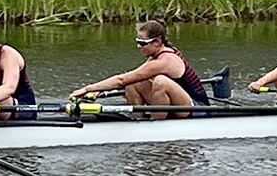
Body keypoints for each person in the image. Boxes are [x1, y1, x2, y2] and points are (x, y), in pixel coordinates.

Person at [68, 20, 208, 119]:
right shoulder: (156, 55)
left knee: (161, 81)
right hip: (177, 105)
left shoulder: (166, 60)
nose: (139, 47)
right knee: (134, 82)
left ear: (157, 42)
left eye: (142, 43)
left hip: (196, 108)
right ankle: (136, 118)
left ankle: (155, 125)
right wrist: (100, 89)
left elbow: (120, 80)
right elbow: (128, 78)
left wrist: (88, 89)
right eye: (138, 42)